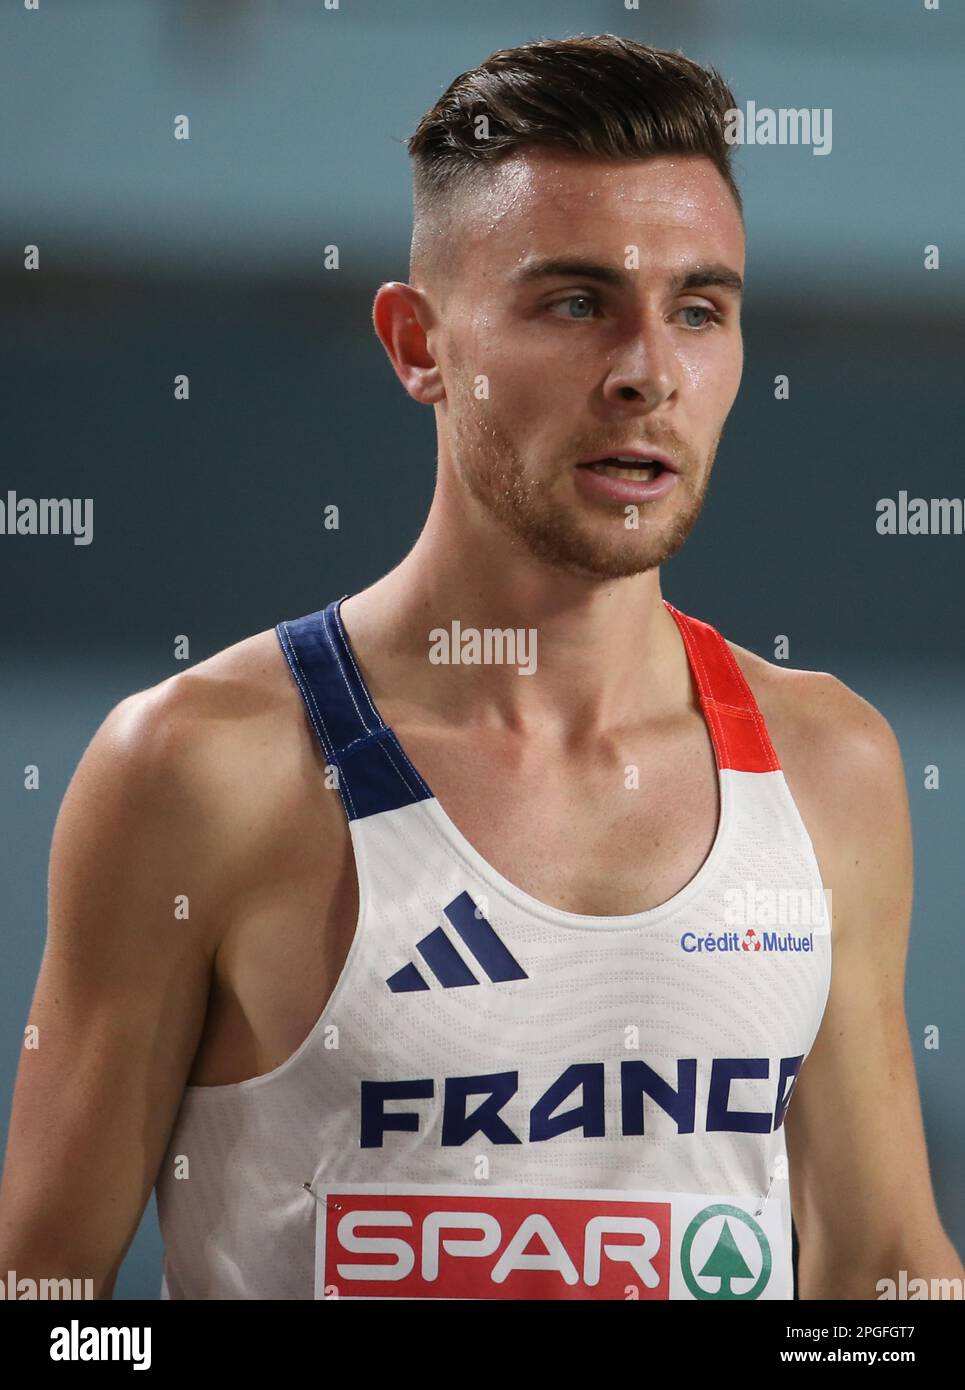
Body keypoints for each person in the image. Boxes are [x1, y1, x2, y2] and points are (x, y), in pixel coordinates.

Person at [1, 34, 961, 1302]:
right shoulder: (197, 766)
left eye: (697, 309)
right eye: (574, 303)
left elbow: (884, 1275)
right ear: (418, 344)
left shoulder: (828, 765)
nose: (645, 373)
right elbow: (49, 1303)